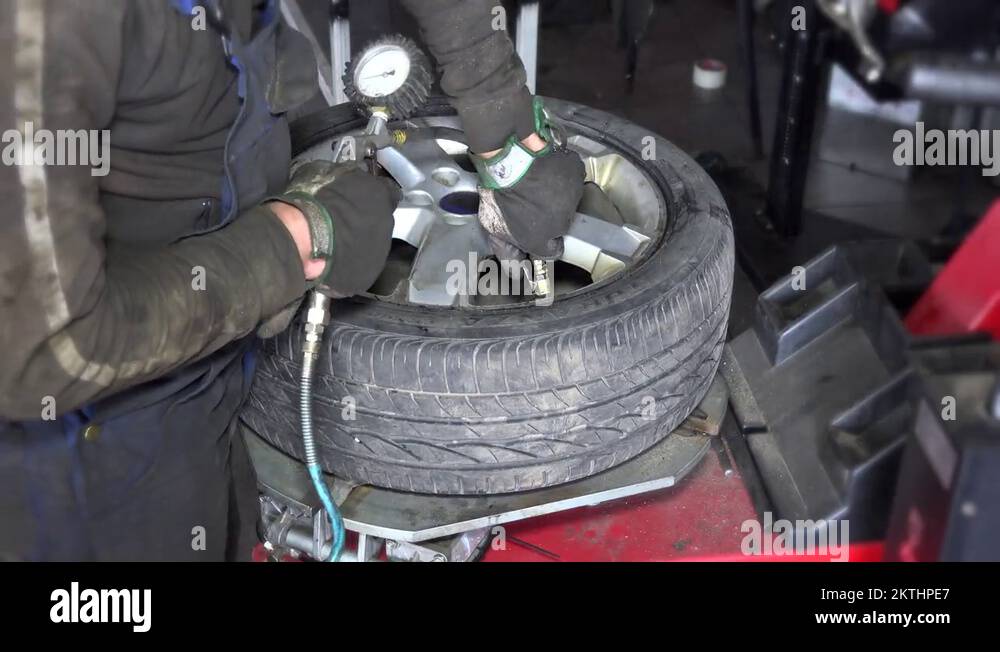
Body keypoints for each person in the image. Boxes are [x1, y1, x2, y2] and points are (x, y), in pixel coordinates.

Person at [0, 0, 584, 561]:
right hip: (82, 446)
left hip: (216, 359)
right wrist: (300, 239)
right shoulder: (40, 25)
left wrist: (491, 92)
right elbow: (43, 347)